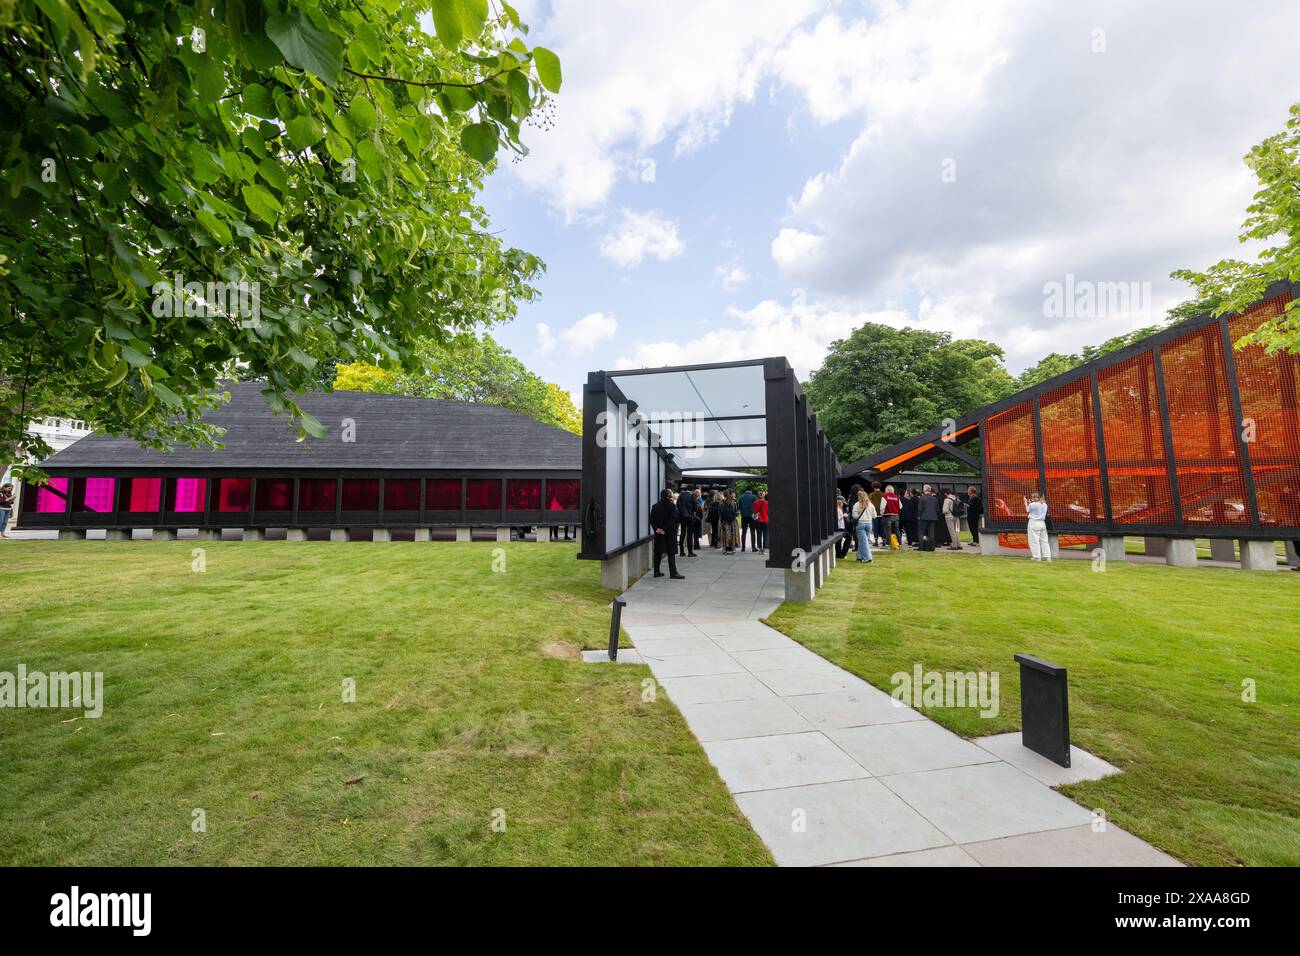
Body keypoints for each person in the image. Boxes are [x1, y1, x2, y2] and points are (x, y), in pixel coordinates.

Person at [650, 488, 685, 578]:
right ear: (667, 496)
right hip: (669, 533)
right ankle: (673, 573)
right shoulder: (672, 506)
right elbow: (672, 520)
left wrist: (657, 529)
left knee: (658, 552)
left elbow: (651, 519)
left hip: (658, 533)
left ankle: (656, 572)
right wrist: (664, 529)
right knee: (671, 552)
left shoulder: (655, 506)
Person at [1024, 492, 1051, 561]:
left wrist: (1026, 503)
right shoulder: (1045, 504)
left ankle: (1037, 557)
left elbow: (1027, 510)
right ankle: (1047, 557)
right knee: (1045, 541)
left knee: (1034, 540)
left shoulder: (1032, 504)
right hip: (1042, 523)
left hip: (1033, 522)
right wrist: (1030, 503)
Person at [851, 487, 876, 562]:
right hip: (869, 524)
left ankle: (868, 558)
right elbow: (874, 515)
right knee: (863, 541)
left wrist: (859, 515)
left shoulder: (856, 504)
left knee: (863, 541)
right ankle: (859, 557)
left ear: (859, 496)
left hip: (860, 524)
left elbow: (854, 515)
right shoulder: (871, 505)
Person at [917, 484, 940, 551]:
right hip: (933, 517)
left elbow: (920, 509)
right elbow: (937, 509)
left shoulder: (922, 498)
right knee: (931, 533)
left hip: (923, 517)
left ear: (924, 490)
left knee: (921, 532)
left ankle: (921, 547)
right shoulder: (934, 499)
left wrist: (918, 516)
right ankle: (932, 547)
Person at [677, 486, 696, 557]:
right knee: (689, 534)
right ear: (692, 490)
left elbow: (677, 506)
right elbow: (694, 507)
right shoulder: (691, 496)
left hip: (682, 517)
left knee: (682, 533)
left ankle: (681, 551)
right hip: (689, 517)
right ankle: (690, 552)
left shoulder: (680, 496)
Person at [880, 484, 901, 549]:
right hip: (896, 515)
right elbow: (900, 506)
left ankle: (887, 545)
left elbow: (882, 507)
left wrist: (882, 513)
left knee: (888, 531)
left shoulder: (885, 496)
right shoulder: (896, 497)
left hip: (887, 516)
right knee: (897, 530)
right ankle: (899, 543)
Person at [719, 490, 739, 554]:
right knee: (732, 534)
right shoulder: (734, 502)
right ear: (730, 494)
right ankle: (732, 548)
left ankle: (725, 548)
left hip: (724, 521)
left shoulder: (721, 502)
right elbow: (737, 512)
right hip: (732, 521)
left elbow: (719, 513)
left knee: (725, 534)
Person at [739, 487, 756, 552]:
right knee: (752, 532)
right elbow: (755, 506)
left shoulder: (741, 497)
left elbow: (739, 507)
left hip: (744, 516)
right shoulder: (753, 497)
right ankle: (753, 548)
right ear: (750, 490)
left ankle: (743, 548)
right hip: (752, 516)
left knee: (744, 532)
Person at [869, 481, 885, 547]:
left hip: (874, 514)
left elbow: (869, 504)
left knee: (875, 528)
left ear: (873, 487)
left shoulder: (871, 495)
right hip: (882, 514)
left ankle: (876, 541)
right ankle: (884, 540)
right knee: (882, 528)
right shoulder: (884, 494)